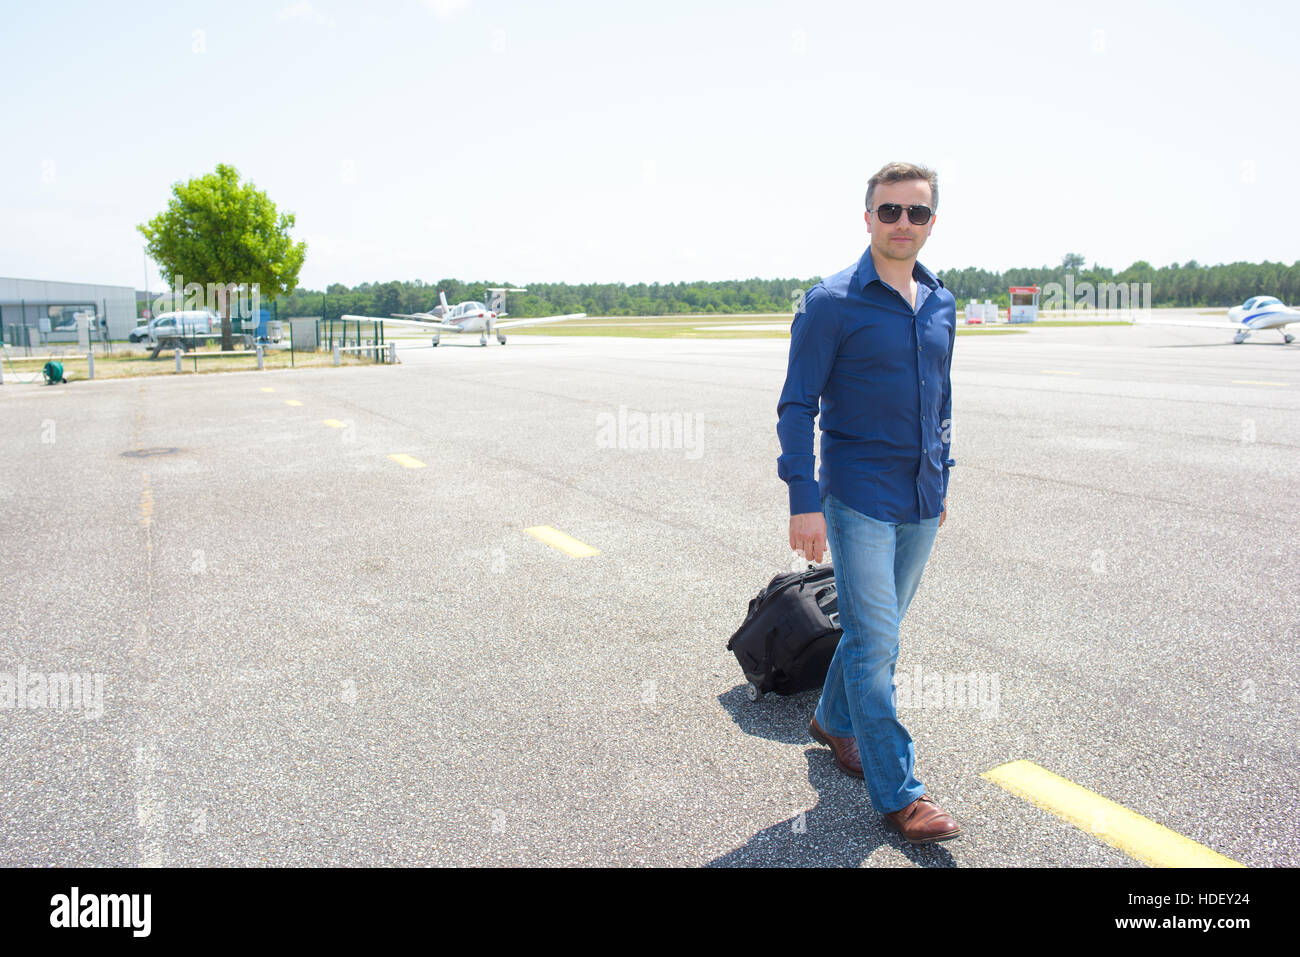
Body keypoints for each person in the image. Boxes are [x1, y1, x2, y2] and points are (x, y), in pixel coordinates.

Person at [776, 161, 960, 843]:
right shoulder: (831, 303)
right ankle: (901, 793)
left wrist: (942, 475)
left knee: (871, 633)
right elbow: (797, 405)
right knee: (880, 642)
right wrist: (804, 499)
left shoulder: (940, 302)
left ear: (931, 222)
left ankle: (832, 719)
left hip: (920, 497)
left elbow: (941, 401)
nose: (902, 224)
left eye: (916, 212)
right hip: (855, 498)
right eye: (890, 211)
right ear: (868, 219)